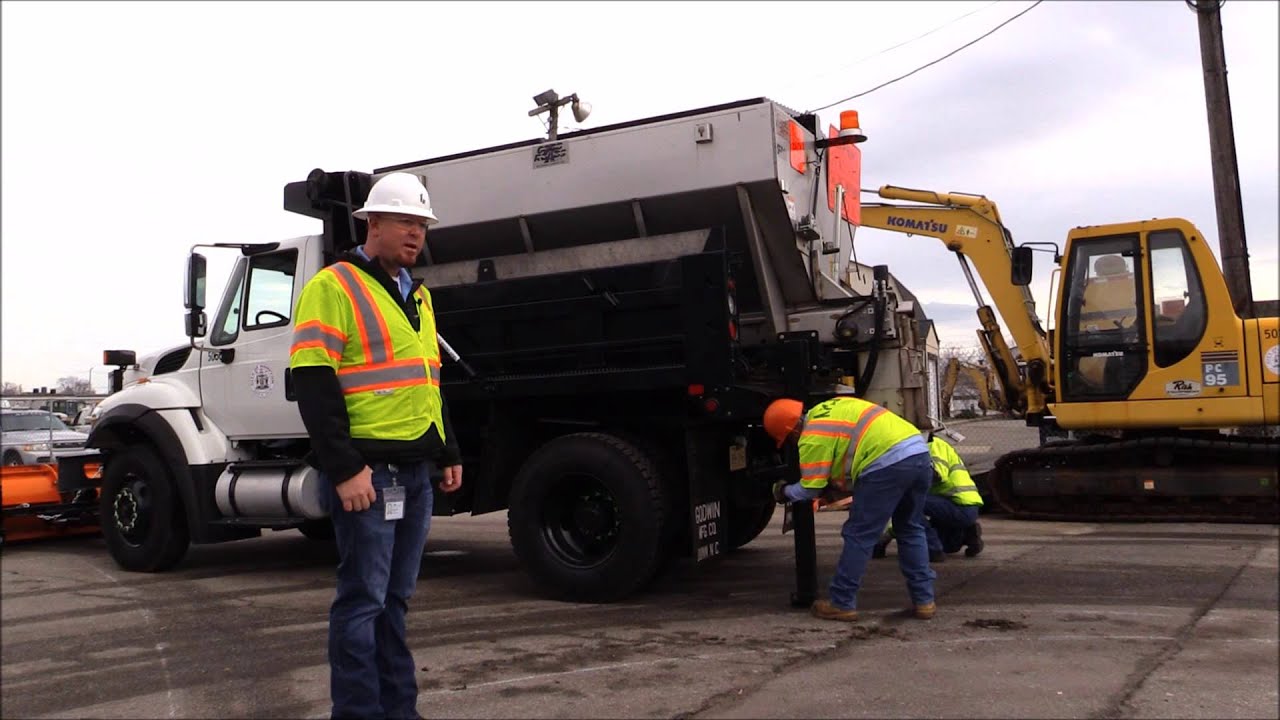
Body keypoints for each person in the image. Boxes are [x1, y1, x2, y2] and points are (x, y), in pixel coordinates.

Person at [290, 172, 463, 720]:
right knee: (363, 601)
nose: (416, 234)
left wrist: (448, 451)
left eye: (422, 225)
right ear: (373, 223)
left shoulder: (419, 296)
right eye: (405, 222)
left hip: (415, 472)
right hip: (369, 475)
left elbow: (428, 381)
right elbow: (312, 383)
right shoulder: (334, 287)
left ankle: (400, 711)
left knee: (395, 601)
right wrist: (345, 468)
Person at [765, 396, 936, 622]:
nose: (793, 443)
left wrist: (783, 491)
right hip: (918, 453)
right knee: (910, 528)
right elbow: (852, 451)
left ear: (793, 431)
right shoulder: (830, 408)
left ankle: (842, 602)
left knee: (859, 535)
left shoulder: (812, 437)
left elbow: (809, 490)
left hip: (886, 463)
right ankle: (924, 601)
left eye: (788, 440)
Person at [873, 432, 984, 561]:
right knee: (948, 546)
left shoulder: (934, 445)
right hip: (954, 506)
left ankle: (933, 549)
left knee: (907, 503)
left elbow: (937, 475)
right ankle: (967, 534)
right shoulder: (920, 448)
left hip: (959, 506)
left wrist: (886, 537)